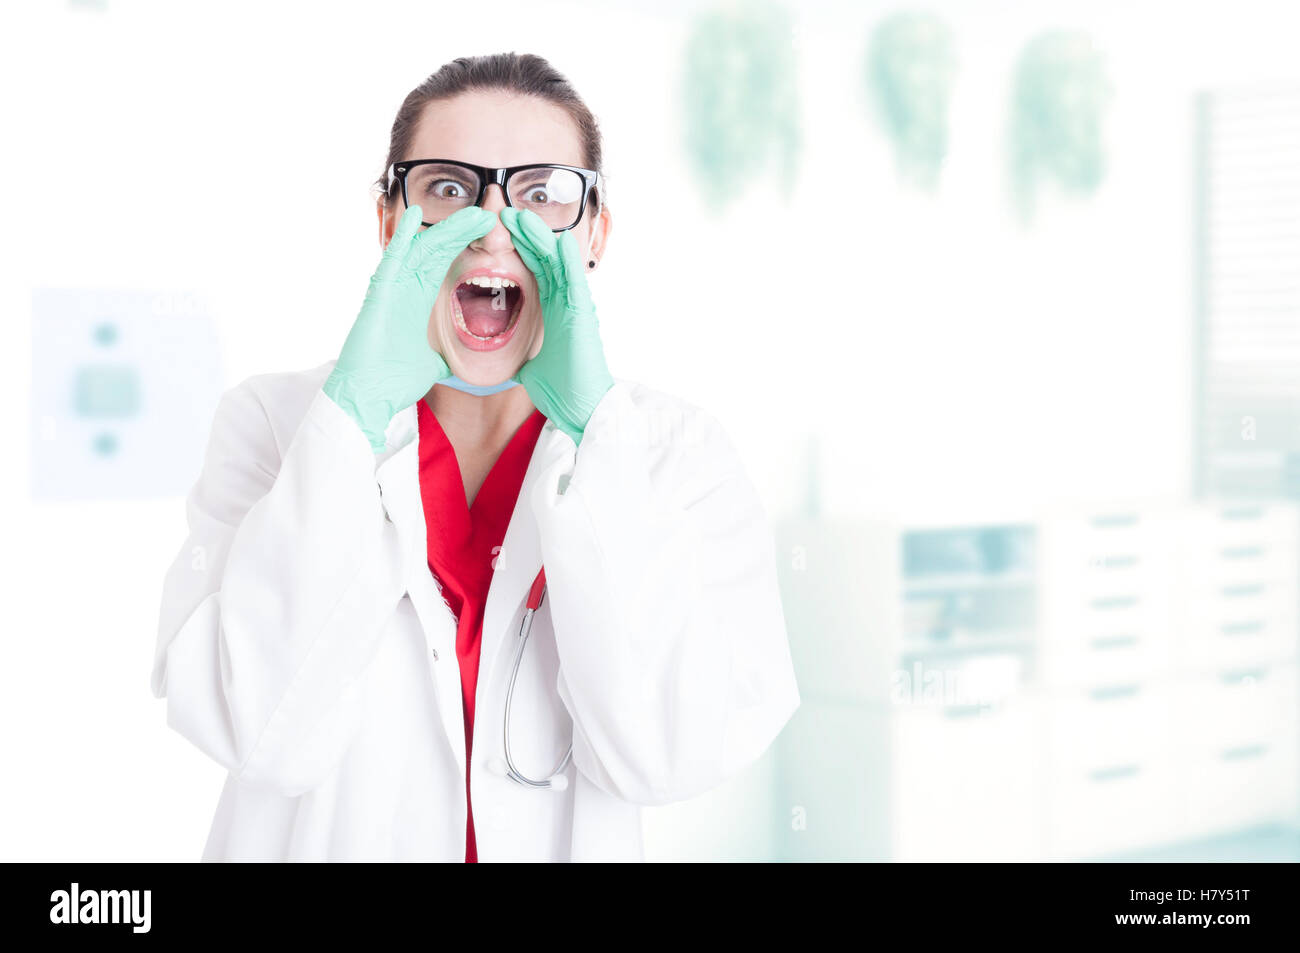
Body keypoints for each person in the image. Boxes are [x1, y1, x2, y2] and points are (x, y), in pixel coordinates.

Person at [149, 51, 800, 862]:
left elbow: (669, 753)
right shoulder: (276, 428)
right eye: (450, 189)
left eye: (541, 194)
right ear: (390, 223)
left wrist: (599, 438)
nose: (494, 227)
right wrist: (348, 423)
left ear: (594, 232)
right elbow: (254, 730)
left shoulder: (677, 457)